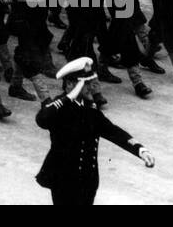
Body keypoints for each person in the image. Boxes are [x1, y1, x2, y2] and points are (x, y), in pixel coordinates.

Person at [35, 57, 155, 205]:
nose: (91, 87)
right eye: (85, 84)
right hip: (63, 180)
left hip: (88, 181)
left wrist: (140, 150)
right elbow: (41, 119)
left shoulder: (90, 107)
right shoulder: (59, 108)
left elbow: (112, 131)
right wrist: (68, 97)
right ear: (71, 84)